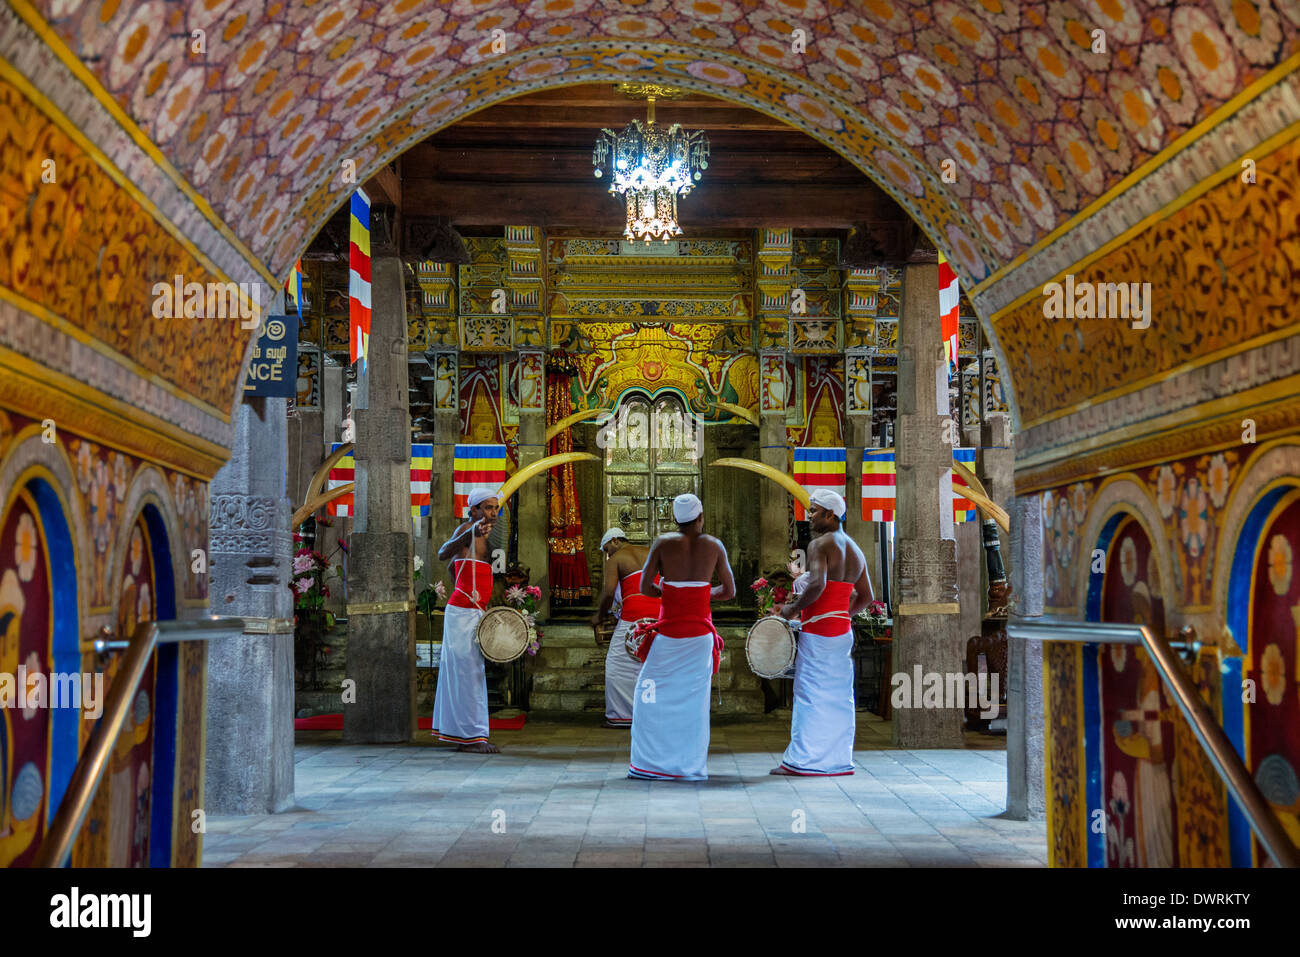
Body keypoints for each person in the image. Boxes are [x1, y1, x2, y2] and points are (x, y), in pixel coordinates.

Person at [627, 493, 735, 781]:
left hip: (668, 635)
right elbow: (729, 591)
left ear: (676, 519)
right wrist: (701, 593)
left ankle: (650, 764)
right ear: (700, 518)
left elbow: (645, 587)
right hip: (700, 637)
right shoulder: (714, 546)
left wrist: (670, 591)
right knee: (694, 705)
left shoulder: (663, 543)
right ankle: (688, 766)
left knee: (647, 695)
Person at [771, 488, 873, 776]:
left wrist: (791, 610)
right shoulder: (855, 549)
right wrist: (841, 614)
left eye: (814, 511)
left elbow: (816, 585)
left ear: (830, 515)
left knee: (810, 694)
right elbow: (867, 596)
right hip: (841, 632)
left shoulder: (820, 545)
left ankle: (804, 761)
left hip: (818, 632)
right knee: (839, 697)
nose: (810, 516)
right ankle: (837, 761)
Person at [432, 487, 500, 753]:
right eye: (487, 507)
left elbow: (453, 568)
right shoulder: (466, 529)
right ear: (473, 510)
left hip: (473, 609)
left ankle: (466, 735)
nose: (493, 512)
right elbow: (442, 555)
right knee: (467, 673)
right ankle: (472, 738)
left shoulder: (488, 535)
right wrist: (469, 533)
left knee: (472, 673)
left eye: (495, 507)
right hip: (463, 612)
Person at [590, 528, 657, 728]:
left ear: (615, 540)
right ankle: (653, 714)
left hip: (633, 616)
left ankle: (620, 716)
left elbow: (609, 593)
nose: (607, 553)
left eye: (607, 548)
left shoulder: (616, 558)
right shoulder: (651, 551)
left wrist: (599, 616)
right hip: (659, 615)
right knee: (651, 664)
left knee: (615, 665)